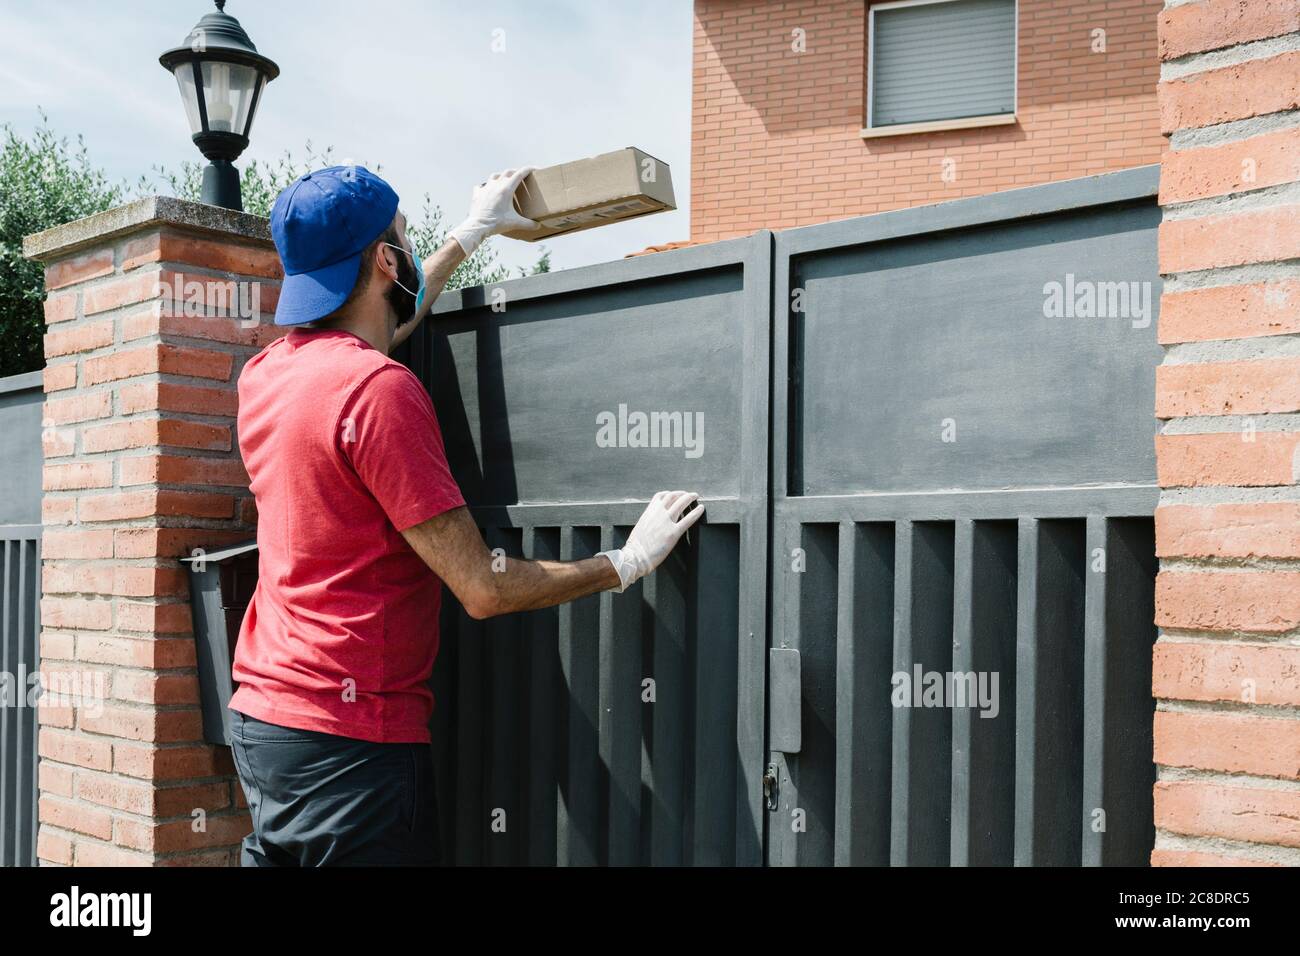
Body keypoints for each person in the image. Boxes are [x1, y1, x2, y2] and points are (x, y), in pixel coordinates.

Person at [227, 165, 703, 865]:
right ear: (387, 261)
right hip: (352, 748)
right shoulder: (380, 391)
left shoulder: (267, 374)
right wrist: (624, 563)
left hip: (266, 724)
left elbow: (373, 329)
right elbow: (483, 587)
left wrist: (471, 233)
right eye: (403, 241)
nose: (412, 252)